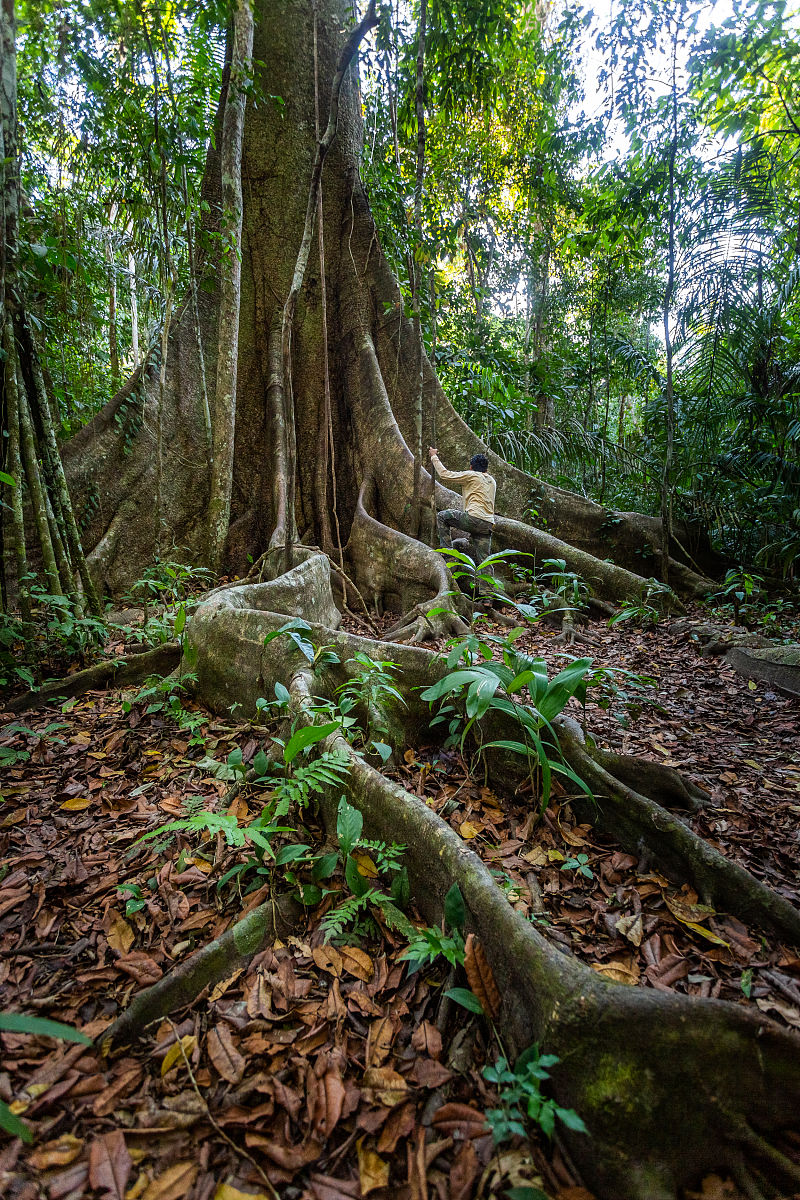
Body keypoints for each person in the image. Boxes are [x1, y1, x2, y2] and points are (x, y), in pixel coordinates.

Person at [428, 447, 496, 565]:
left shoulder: (471, 475)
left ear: (471, 467)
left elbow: (445, 475)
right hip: (487, 524)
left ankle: (448, 554)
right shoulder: (492, 481)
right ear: (486, 469)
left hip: (473, 519)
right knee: (485, 561)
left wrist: (434, 456)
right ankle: (488, 583)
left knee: (442, 516)